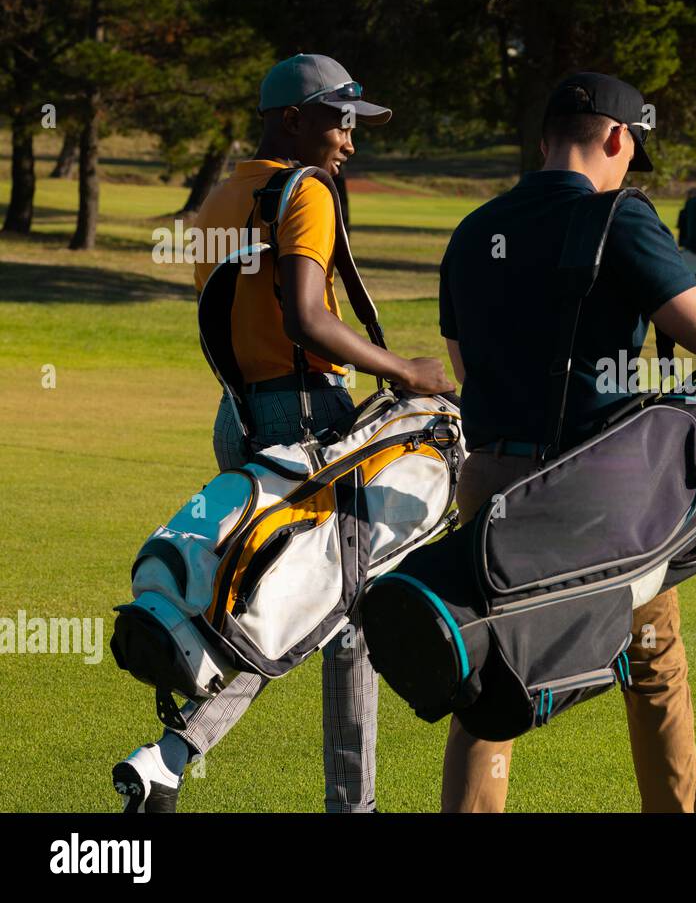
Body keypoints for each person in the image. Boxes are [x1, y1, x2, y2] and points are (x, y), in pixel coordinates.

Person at [438, 72, 696, 812]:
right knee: (655, 666)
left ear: (544, 139)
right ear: (616, 138)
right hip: (591, 501)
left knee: (492, 684)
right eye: (631, 151)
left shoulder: (476, 231)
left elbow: (464, 366)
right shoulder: (619, 219)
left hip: (487, 483)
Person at [111, 54, 454, 813]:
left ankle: (169, 761)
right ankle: (337, 802)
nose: (349, 141)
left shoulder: (223, 196)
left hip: (239, 418)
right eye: (338, 121)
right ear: (293, 119)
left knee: (278, 607)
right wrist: (405, 369)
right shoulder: (307, 191)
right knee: (336, 619)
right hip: (311, 421)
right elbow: (305, 316)